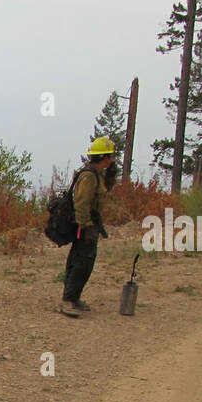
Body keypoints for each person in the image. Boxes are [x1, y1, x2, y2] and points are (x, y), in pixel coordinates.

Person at [59, 136, 118, 318]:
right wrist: (85, 226)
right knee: (82, 262)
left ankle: (73, 298)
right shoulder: (89, 176)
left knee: (82, 260)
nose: (113, 160)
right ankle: (68, 300)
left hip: (89, 222)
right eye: (111, 156)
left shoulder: (96, 174)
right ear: (104, 157)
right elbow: (82, 201)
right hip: (84, 223)